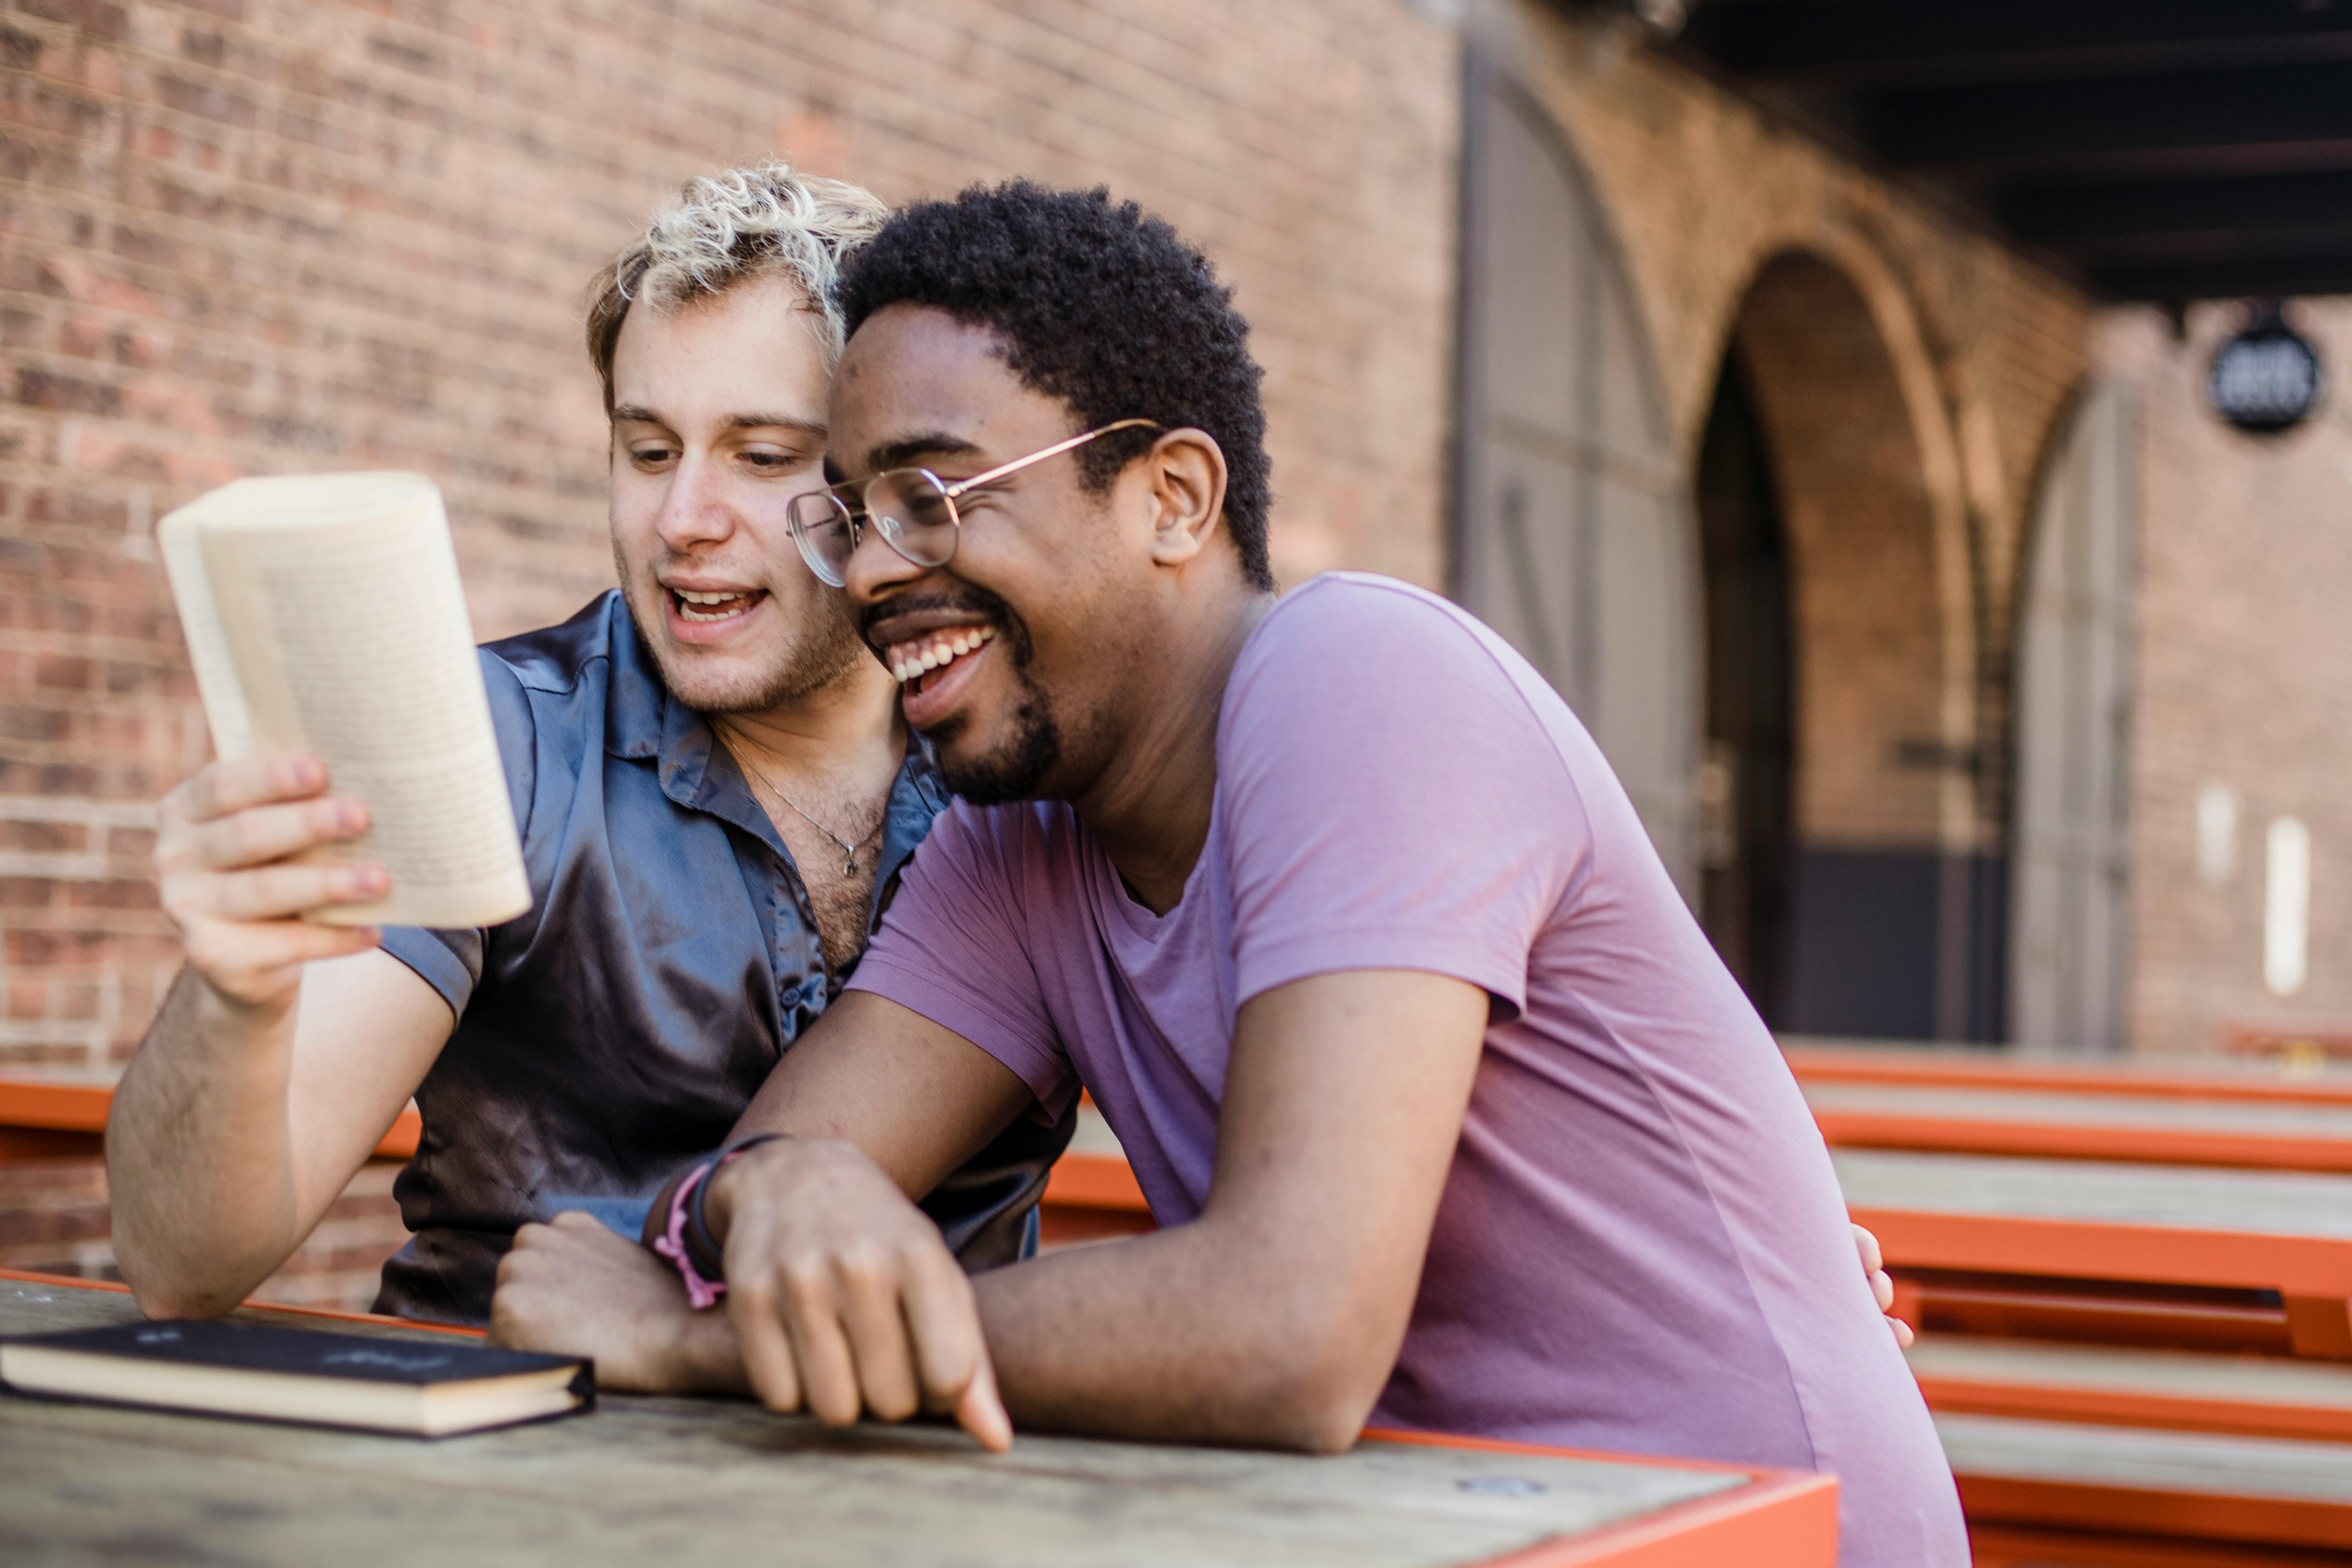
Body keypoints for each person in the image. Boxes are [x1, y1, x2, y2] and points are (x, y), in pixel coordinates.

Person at [491, 183, 1966, 1566]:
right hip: (1430, 1526)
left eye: (934, 498)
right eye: (853, 513)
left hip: (1749, 1529)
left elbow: (1289, 1335)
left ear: (1175, 498)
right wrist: (778, 1196)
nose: (874, 572)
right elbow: (766, 1165)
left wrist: (709, 1340)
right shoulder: (1019, 842)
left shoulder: (1369, 681)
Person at [106, 163, 1070, 1328]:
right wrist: (233, 994)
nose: (682, 522)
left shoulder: (1033, 771)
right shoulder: (488, 738)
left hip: (923, 1486)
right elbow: (186, 1260)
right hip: (511, 1454)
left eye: (763, 457)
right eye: (650, 451)